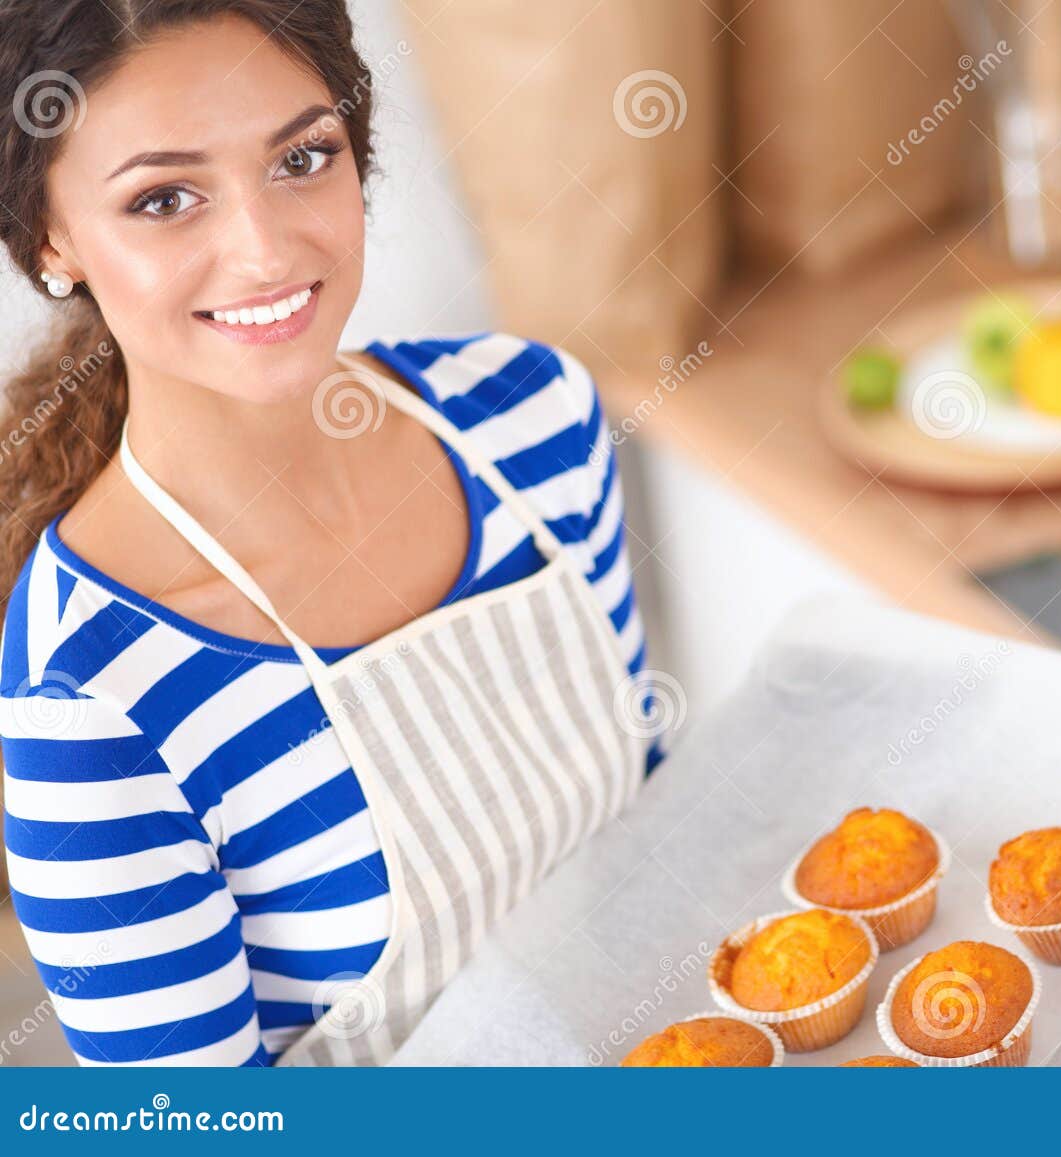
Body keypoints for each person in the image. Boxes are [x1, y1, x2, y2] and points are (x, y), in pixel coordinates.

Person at [0, 0, 663, 1066]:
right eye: (165, 198)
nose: (263, 251)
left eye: (302, 157)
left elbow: (657, 836)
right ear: (53, 240)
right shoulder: (87, 697)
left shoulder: (533, 419)